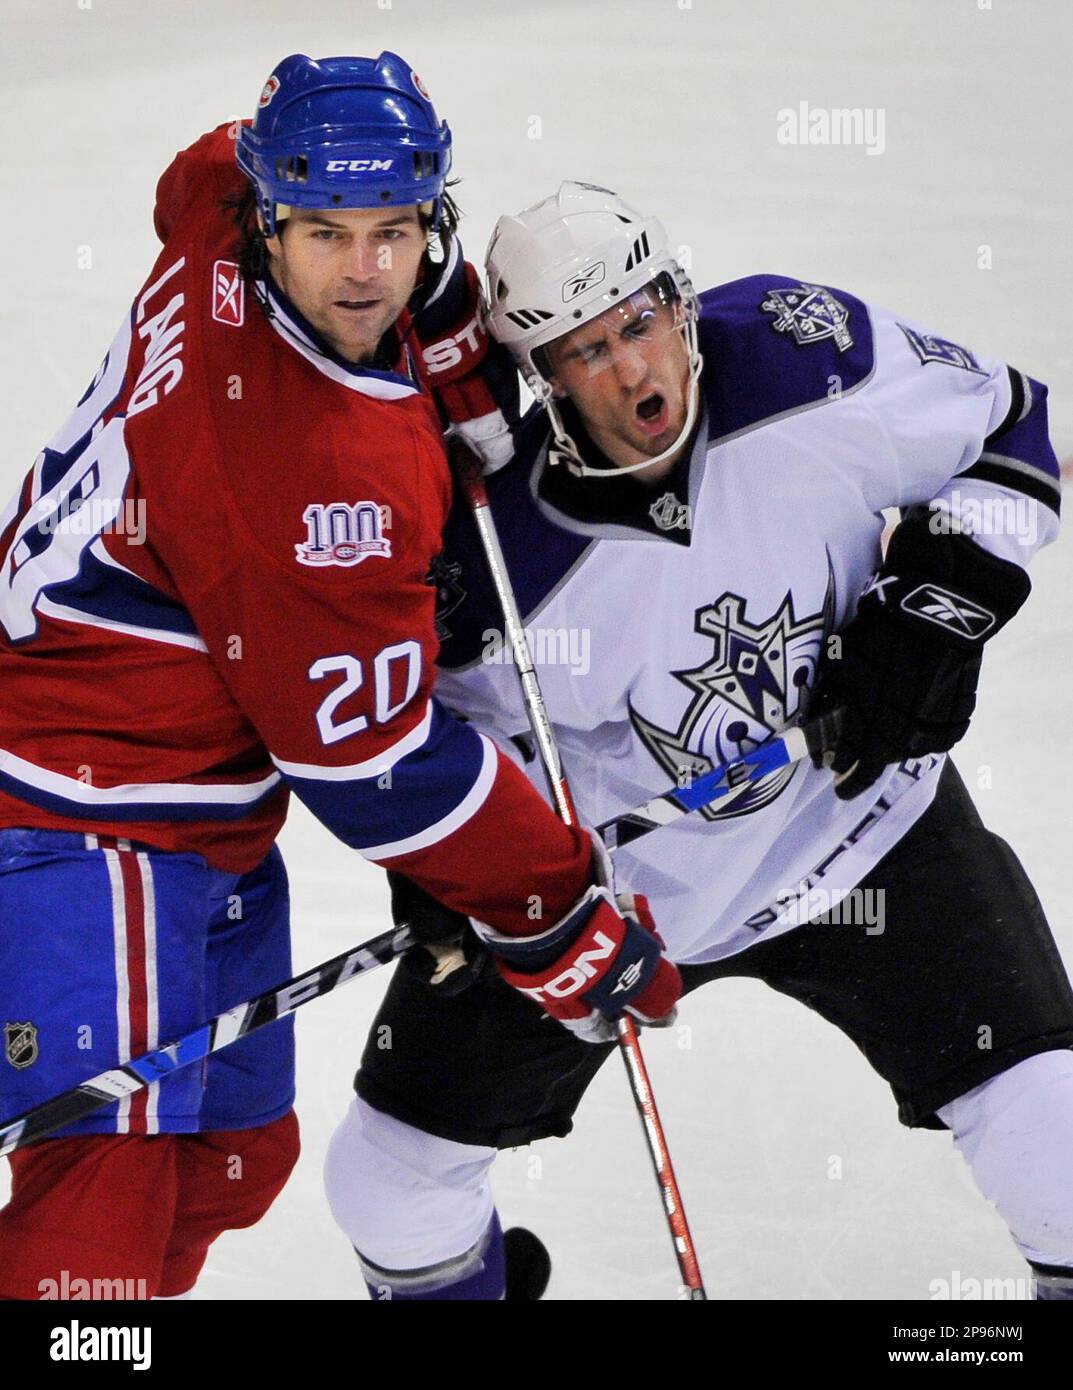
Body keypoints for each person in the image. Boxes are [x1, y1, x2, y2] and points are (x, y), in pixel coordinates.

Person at [0, 68, 682, 1300]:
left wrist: (450, 333)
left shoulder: (222, 207)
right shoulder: (314, 478)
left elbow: (192, 171)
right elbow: (374, 765)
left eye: (395, 233)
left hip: (177, 791)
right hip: (77, 804)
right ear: (273, 221)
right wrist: (552, 912)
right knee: (106, 1181)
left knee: (233, 1154)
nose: (364, 274)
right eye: (326, 235)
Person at [324, 182, 1073, 1301]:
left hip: (866, 828)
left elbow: (1017, 426)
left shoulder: (796, 356)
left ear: (680, 301)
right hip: (611, 904)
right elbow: (440, 753)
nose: (635, 371)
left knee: (1060, 1160)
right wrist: (455, 876)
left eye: (642, 321)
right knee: (384, 1187)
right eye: (586, 351)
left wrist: (941, 599)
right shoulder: (495, 560)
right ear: (541, 378)